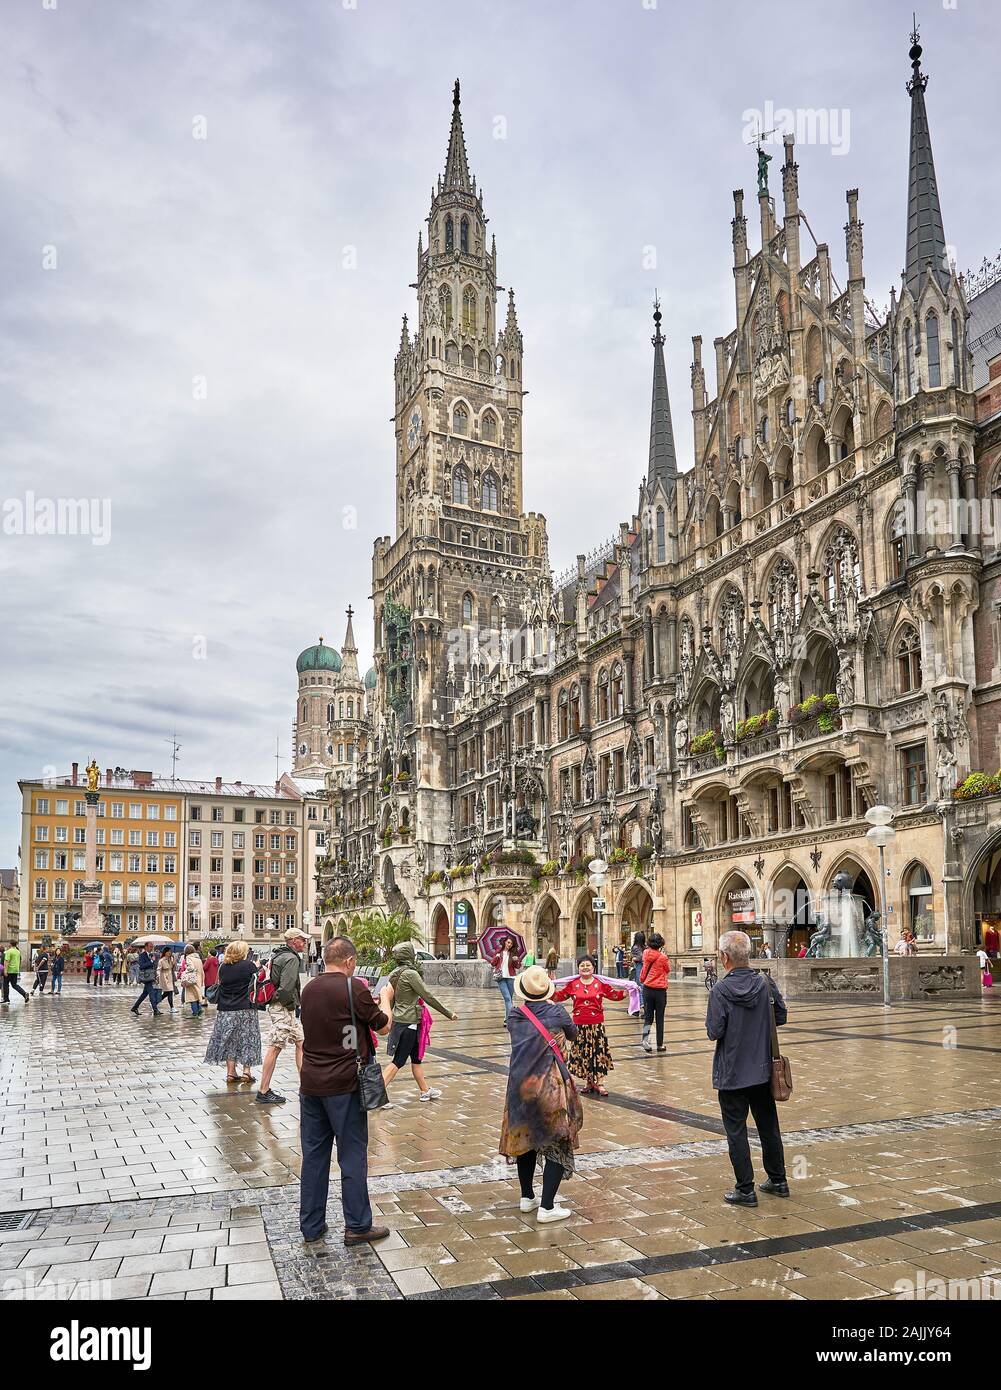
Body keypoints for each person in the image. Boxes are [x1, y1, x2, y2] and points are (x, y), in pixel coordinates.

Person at [298, 935, 394, 1246]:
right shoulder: (354, 988)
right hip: (345, 1086)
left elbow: (337, 1030)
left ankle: (311, 1226)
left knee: (314, 1157)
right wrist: (387, 1000)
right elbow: (383, 1026)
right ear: (350, 961)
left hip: (311, 1084)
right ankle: (357, 1225)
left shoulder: (309, 988)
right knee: (352, 1156)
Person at [706, 929, 789, 1207]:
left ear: (724, 957)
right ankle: (778, 1180)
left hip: (732, 1073)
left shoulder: (720, 990)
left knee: (736, 1131)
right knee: (768, 1126)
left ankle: (745, 1189)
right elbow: (781, 1015)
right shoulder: (765, 982)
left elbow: (714, 1031)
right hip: (763, 1069)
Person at [499, 965, 583, 1224]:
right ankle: (547, 1207)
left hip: (520, 1087)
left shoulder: (514, 1015)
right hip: (550, 1086)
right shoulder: (556, 1011)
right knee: (556, 1142)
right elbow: (573, 1033)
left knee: (525, 1139)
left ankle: (527, 1198)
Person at [380, 941, 457, 1100]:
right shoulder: (411, 974)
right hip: (409, 1023)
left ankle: (424, 1091)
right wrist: (448, 1013)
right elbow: (427, 996)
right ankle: (376, 1094)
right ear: (409, 956)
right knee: (398, 1061)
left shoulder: (394, 973)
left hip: (403, 1021)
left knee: (416, 1059)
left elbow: (392, 998)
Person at [553, 955, 626, 1097]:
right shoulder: (573, 984)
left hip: (596, 1025)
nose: (585, 968)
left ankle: (600, 1083)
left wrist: (626, 992)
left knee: (598, 1053)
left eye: (588, 965)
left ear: (593, 968)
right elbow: (560, 996)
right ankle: (588, 1082)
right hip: (579, 1026)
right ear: (578, 968)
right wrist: (545, 992)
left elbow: (613, 995)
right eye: (582, 965)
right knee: (583, 1054)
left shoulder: (600, 984)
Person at [257, 929, 309, 1106]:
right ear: (294, 941)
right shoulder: (291, 958)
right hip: (282, 1008)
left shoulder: (279, 955)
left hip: (282, 1007)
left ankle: (306, 1087)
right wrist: (289, 1005)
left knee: (301, 1042)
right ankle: (263, 1091)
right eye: (302, 940)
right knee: (275, 1046)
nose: (305, 943)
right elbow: (286, 988)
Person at [204, 940, 262, 1086]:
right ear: (242, 952)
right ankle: (246, 1072)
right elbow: (256, 984)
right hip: (245, 1009)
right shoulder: (249, 966)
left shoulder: (223, 967)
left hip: (225, 1010)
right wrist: (258, 968)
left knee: (230, 1040)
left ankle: (231, 1072)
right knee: (247, 1039)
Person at [639, 932, 670, 1053]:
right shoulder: (662, 957)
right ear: (661, 943)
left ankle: (646, 1041)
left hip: (647, 989)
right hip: (660, 990)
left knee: (648, 1017)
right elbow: (668, 970)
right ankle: (660, 1044)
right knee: (660, 1018)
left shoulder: (646, 954)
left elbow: (644, 969)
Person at [491, 935, 523, 1019]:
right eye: (508, 942)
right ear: (505, 942)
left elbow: (518, 966)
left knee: (509, 999)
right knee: (507, 998)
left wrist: (517, 960)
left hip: (511, 977)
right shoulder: (498, 951)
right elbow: (492, 963)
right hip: (500, 977)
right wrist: (497, 957)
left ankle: (506, 1018)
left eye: (511, 944)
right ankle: (510, 1019)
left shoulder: (513, 953)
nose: (509, 945)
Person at [130, 946, 162, 1016]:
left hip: (151, 976)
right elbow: (141, 966)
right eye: (150, 946)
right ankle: (155, 1009)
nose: (151, 947)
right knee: (151, 993)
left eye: (152, 946)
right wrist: (151, 961)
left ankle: (135, 1007)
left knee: (144, 994)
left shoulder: (152, 955)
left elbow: (154, 966)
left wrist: (155, 974)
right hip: (146, 977)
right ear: (146, 947)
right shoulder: (142, 955)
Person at [179, 944, 205, 1016]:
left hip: (191, 979)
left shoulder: (188, 958)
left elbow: (191, 968)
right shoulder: (198, 958)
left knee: (192, 997)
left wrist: (185, 970)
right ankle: (199, 1009)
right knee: (197, 995)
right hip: (198, 978)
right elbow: (202, 970)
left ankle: (195, 1013)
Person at [156, 946, 177, 1013]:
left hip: (170, 977)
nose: (170, 953)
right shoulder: (161, 960)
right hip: (164, 978)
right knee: (169, 992)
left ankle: (155, 1003)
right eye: (168, 951)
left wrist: (174, 962)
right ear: (165, 952)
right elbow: (158, 969)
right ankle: (172, 1007)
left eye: (170, 951)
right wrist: (158, 977)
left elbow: (173, 968)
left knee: (166, 993)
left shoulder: (170, 959)